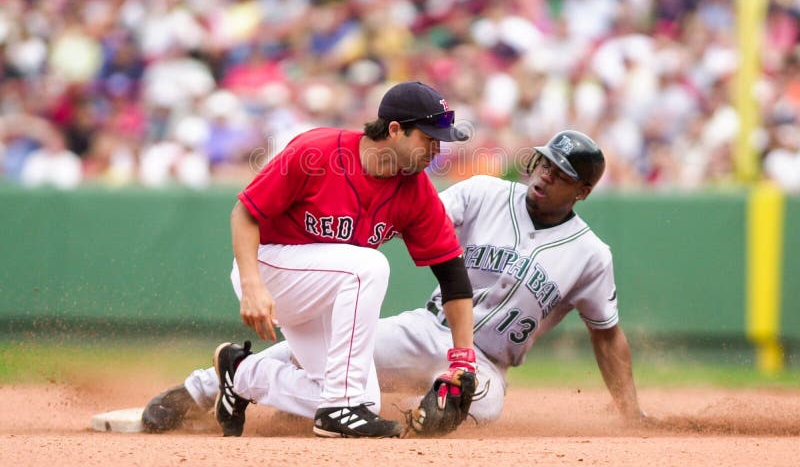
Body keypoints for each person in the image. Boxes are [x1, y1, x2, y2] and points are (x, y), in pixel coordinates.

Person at [143, 129, 645, 432]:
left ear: (582, 191)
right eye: (542, 162)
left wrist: (630, 413)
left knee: (477, 410)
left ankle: (405, 421)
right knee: (331, 353)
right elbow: (416, 221)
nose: (544, 174)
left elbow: (608, 336)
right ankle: (206, 387)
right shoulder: (486, 194)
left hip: (488, 363)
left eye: (560, 173)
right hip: (425, 329)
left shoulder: (591, 256)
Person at [152, 81, 477, 439]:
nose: (437, 148)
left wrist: (464, 357)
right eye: (429, 138)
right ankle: (339, 408)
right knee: (368, 267)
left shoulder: (416, 191)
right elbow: (245, 213)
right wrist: (251, 285)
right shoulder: (318, 152)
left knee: (364, 400)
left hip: (324, 289)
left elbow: (452, 274)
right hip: (269, 267)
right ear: (395, 130)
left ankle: (242, 373)